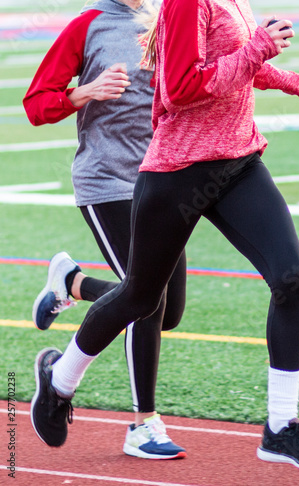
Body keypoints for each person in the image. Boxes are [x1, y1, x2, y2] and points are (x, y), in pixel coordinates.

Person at [29, 0, 299, 469]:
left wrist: (276, 72)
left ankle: (281, 427)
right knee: (141, 300)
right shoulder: (171, 5)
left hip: (237, 162)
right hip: (168, 171)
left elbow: (228, 63)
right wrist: (87, 91)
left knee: (291, 277)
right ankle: (75, 390)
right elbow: (179, 89)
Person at [23, 0, 187, 460]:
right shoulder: (88, 24)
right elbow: (36, 104)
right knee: (147, 303)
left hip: (163, 181)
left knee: (168, 311)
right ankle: (142, 425)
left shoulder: (170, 17)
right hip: (107, 183)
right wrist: (87, 91)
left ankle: (72, 282)